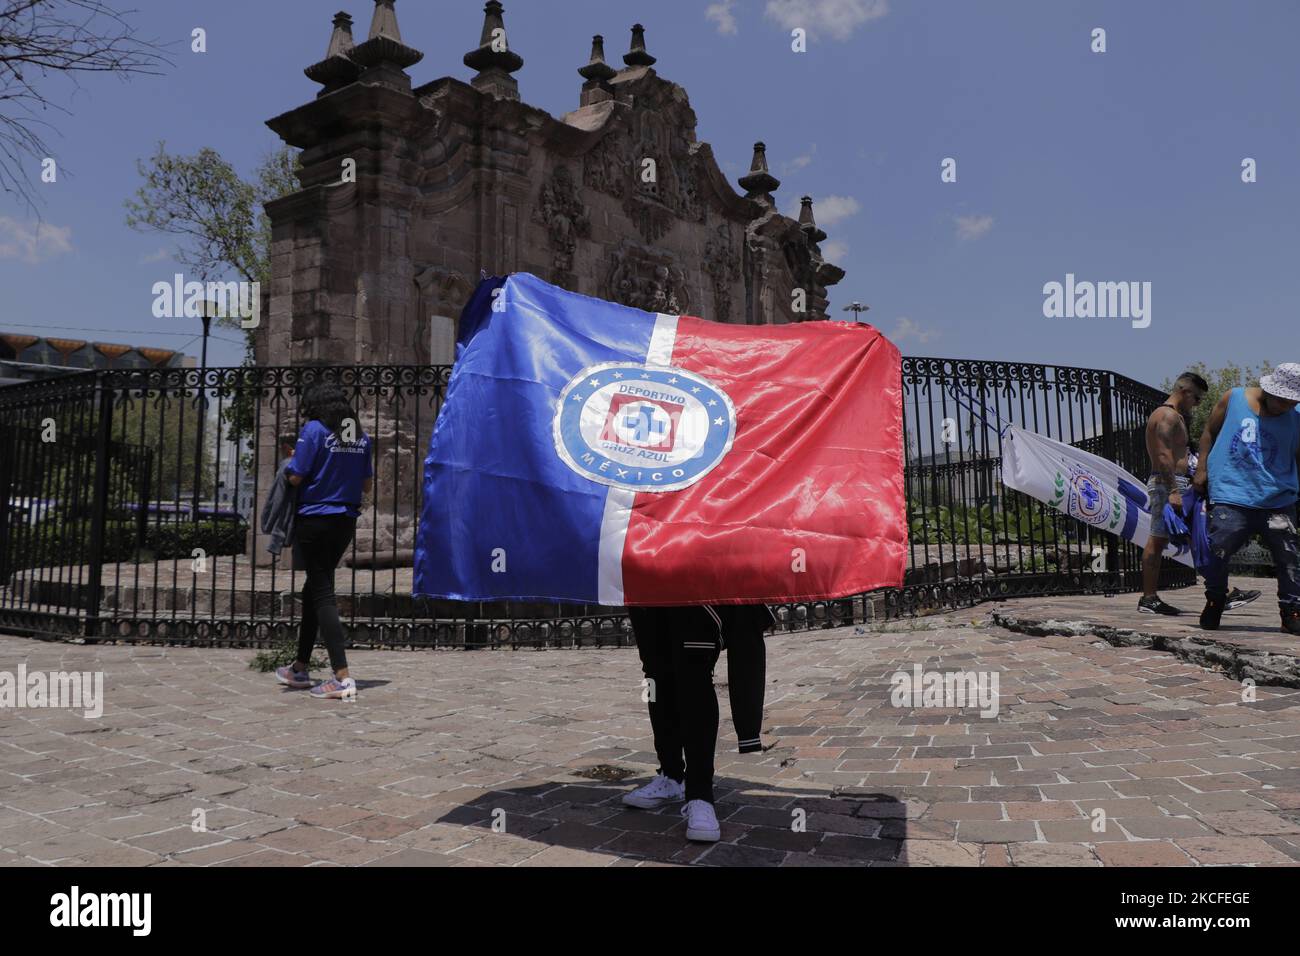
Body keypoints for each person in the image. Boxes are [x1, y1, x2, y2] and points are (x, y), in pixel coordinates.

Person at [621, 603, 775, 843]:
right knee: (654, 673)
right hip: (646, 578)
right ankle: (671, 776)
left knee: (694, 668)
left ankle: (700, 794)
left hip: (694, 576)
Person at [273, 383, 374, 699]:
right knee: (314, 588)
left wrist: (291, 461)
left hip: (315, 518)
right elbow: (367, 484)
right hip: (344, 519)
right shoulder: (358, 435)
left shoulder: (314, 430)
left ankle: (342, 676)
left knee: (323, 591)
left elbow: (297, 476)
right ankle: (299, 668)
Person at [1193, 364, 1300, 634]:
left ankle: (1291, 611)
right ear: (1268, 389)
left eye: (1292, 402)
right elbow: (1208, 432)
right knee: (1216, 552)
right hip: (1232, 493)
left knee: (1289, 557)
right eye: (1281, 400)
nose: (1285, 406)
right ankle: (1216, 599)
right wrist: (1202, 468)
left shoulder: (1297, 416)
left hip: (1278, 497)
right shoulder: (1234, 398)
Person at [1138, 372, 1206, 615]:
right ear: (1185, 391)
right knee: (1157, 539)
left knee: (1196, 534)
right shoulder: (1166, 415)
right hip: (1168, 484)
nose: (1196, 404)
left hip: (1174, 483)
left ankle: (1220, 590)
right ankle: (1148, 599)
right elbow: (1164, 455)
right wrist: (1174, 490)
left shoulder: (1173, 415)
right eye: (1196, 399)